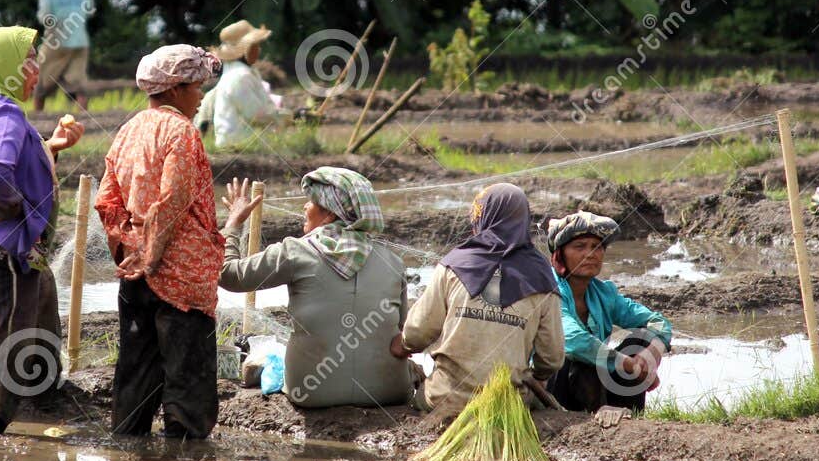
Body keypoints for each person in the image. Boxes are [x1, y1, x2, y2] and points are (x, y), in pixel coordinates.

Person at [0, 26, 84, 434]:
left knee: (4, 331)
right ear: (2, 67)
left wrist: (51, 146)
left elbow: (1, 155)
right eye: (26, 61)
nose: (35, 70)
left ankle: (28, 401)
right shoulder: (5, 113)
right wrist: (13, 204)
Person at [95, 43, 225, 439]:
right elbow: (173, 200)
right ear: (172, 90)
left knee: (135, 373)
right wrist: (151, 256)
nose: (201, 95)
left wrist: (129, 249)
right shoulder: (181, 132)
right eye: (195, 86)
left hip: (135, 275)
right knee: (187, 379)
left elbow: (107, 200)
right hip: (181, 274)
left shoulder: (129, 130)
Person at [218, 168, 414, 409]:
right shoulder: (392, 262)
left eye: (311, 201)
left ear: (331, 213)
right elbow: (404, 332)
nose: (304, 207)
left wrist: (233, 224)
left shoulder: (295, 251)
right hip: (389, 393)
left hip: (311, 392)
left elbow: (228, 276)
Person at [392, 183, 564, 417]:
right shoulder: (542, 275)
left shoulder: (453, 265)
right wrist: (539, 376)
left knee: (418, 390)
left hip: (446, 401)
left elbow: (416, 334)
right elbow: (552, 359)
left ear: (481, 218)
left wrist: (402, 345)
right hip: (509, 407)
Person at [545, 211, 673, 412]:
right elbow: (574, 341)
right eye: (579, 247)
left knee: (642, 339)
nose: (591, 254)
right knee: (584, 356)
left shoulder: (604, 293)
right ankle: (594, 415)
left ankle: (628, 417)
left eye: (597, 247)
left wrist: (651, 354)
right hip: (553, 388)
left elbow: (657, 321)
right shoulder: (547, 291)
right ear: (559, 255)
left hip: (594, 385)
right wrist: (629, 365)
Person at [195, 20, 280, 150]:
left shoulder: (236, 73)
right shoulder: (240, 76)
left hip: (239, 144)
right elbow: (256, 114)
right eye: (255, 45)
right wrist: (283, 117)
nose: (258, 49)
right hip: (239, 146)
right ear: (246, 49)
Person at [34, 0, 95, 112]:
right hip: (79, 37)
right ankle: (84, 119)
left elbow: (45, 14)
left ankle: (38, 118)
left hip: (56, 37)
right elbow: (89, 8)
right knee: (79, 80)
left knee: (41, 77)